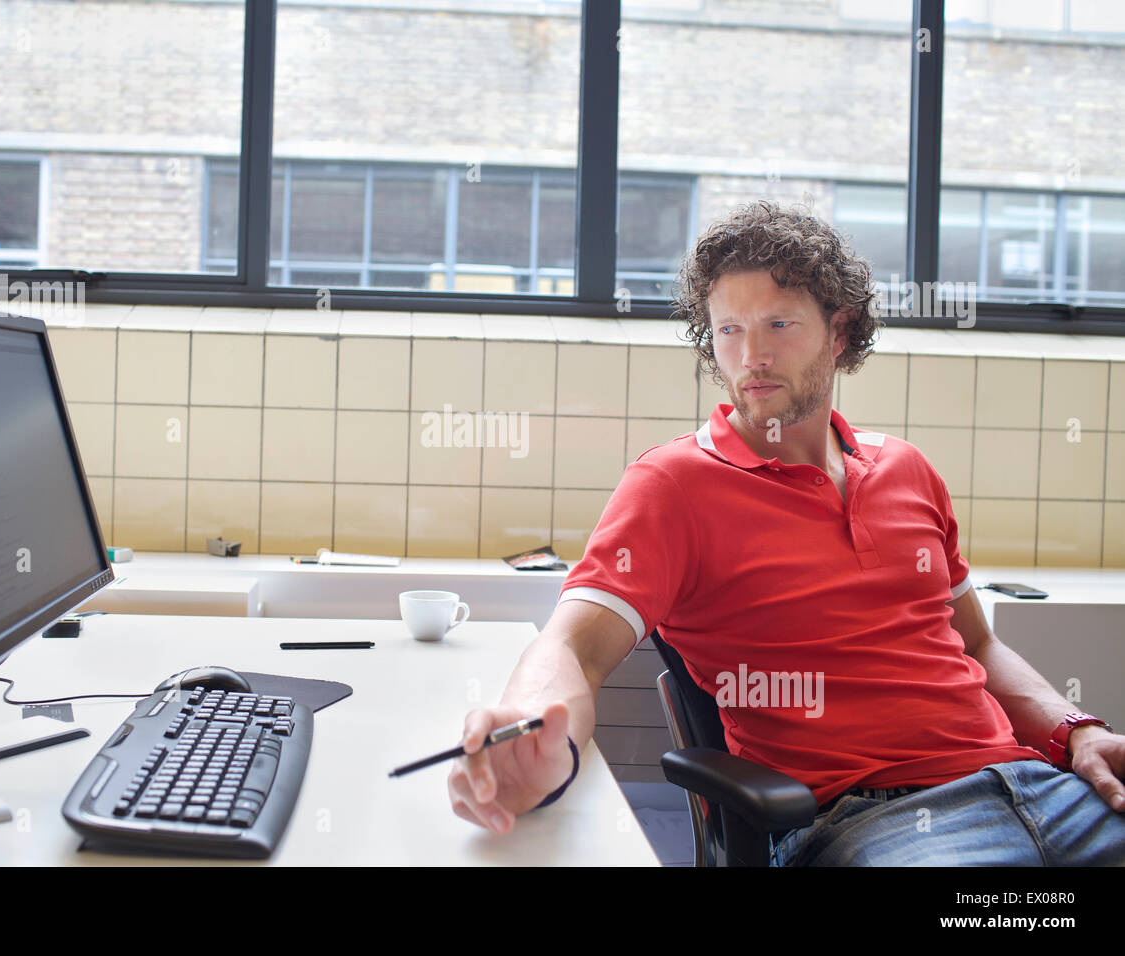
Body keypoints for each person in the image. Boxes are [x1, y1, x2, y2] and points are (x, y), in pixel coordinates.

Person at [447, 199, 1125, 865]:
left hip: (1041, 787)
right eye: (729, 330)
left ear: (839, 332)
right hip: (879, 821)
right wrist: (531, 734)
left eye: (779, 323)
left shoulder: (906, 469)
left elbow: (975, 641)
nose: (753, 355)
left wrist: (1077, 731)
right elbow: (573, 646)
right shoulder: (675, 484)